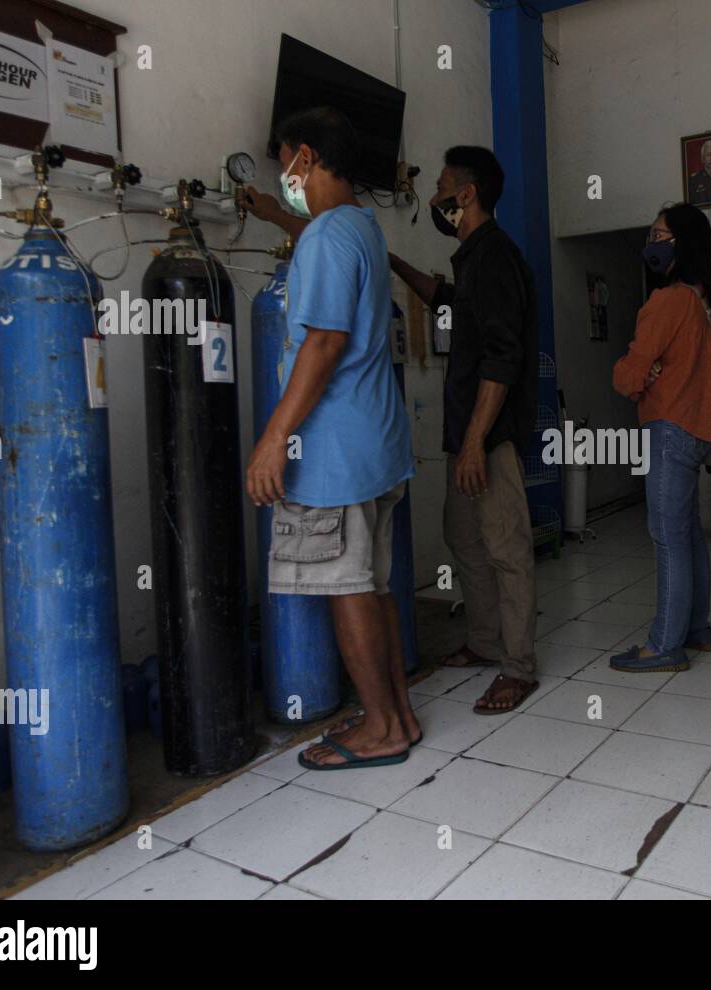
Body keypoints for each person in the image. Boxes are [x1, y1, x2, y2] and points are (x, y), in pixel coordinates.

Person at [240, 107, 418, 769]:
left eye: (285, 163)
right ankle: (397, 715)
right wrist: (270, 213)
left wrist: (272, 438)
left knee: (347, 588)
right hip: (377, 447)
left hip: (334, 452)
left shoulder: (323, 241)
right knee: (372, 588)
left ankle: (381, 729)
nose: (284, 176)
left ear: (305, 158)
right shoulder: (361, 228)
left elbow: (323, 340)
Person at [388, 146, 541, 715]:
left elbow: (503, 356)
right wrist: (393, 262)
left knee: (505, 548)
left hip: (490, 436)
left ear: (467, 194)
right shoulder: (472, 259)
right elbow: (446, 301)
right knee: (465, 538)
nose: (435, 198)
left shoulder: (496, 257)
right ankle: (483, 640)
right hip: (466, 434)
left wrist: (476, 440)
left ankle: (519, 667)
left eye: (442, 186)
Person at [611, 203, 711, 671]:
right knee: (687, 531)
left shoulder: (665, 302)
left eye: (661, 235)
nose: (652, 243)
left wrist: (632, 371)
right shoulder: (700, 304)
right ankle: (697, 628)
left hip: (670, 428)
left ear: (682, 244)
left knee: (667, 536)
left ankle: (664, 643)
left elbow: (627, 376)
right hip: (698, 428)